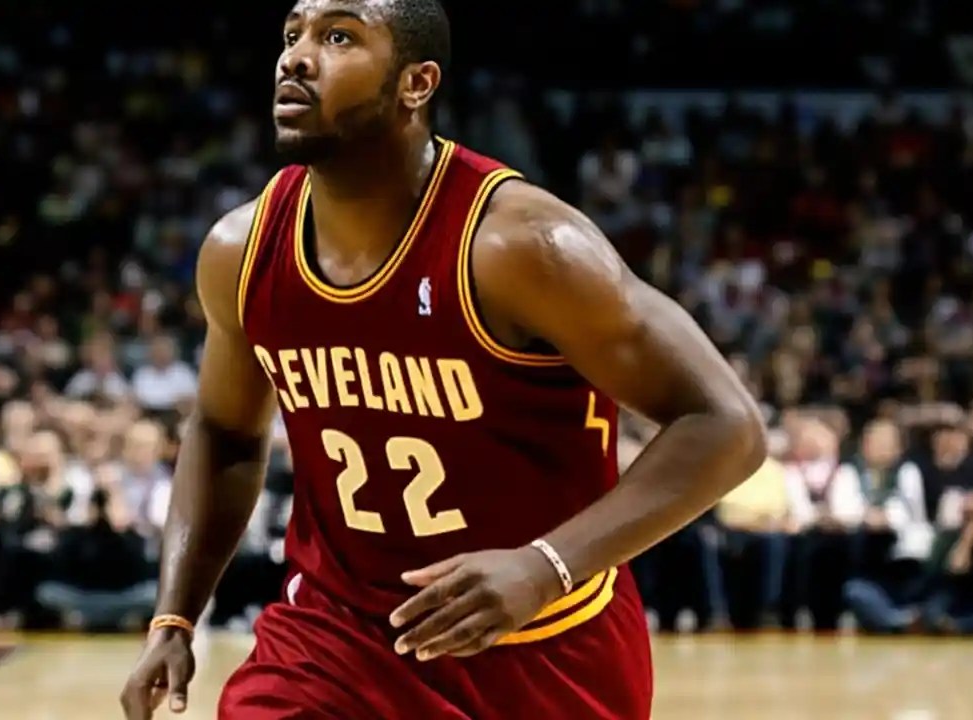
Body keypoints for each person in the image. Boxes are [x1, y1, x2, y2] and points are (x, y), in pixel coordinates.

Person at [120, 1, 765, 718]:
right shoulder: (240, 252)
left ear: (416, 83)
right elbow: (223, 433)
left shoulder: (521, 245)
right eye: (291, 35)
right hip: (334, 643)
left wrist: (544, 567)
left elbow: (726, 425)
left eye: (338, 37)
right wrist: (174, 616)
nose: (296, 58)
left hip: (541, 649)